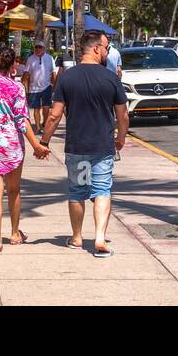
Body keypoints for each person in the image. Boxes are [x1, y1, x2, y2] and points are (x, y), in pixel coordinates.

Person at [40, 30, 128, 257]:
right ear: (96, 48)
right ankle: (99, 238)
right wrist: (121, 137)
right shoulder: (111, 78)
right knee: (102, 190)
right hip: (102, 147)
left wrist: (44, 141)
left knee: (78, 192)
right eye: (106, 47)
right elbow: (123, 114)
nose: (107, 52)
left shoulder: (67, 77)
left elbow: (54, 115)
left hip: (77, 147)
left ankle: (77, 237)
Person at [0, 45, 49, 252]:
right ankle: (14, 233)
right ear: (13, 64)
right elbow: (22, 120)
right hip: (11, 140)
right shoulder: (17, 88)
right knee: (14, 190)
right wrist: (36, 144)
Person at [21, 40, 57, 131]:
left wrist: (54, 85)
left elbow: (53, 73)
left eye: (40, 47)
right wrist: (22, 83)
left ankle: (45, 122)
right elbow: (26, 72)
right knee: (36, 108)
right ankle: (37, 127)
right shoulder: (30, 59)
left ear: (44, 48)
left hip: (47, 86)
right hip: (34, 88)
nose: (38, 49)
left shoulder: (49, 58)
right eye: (36, 47)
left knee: (46, 107)